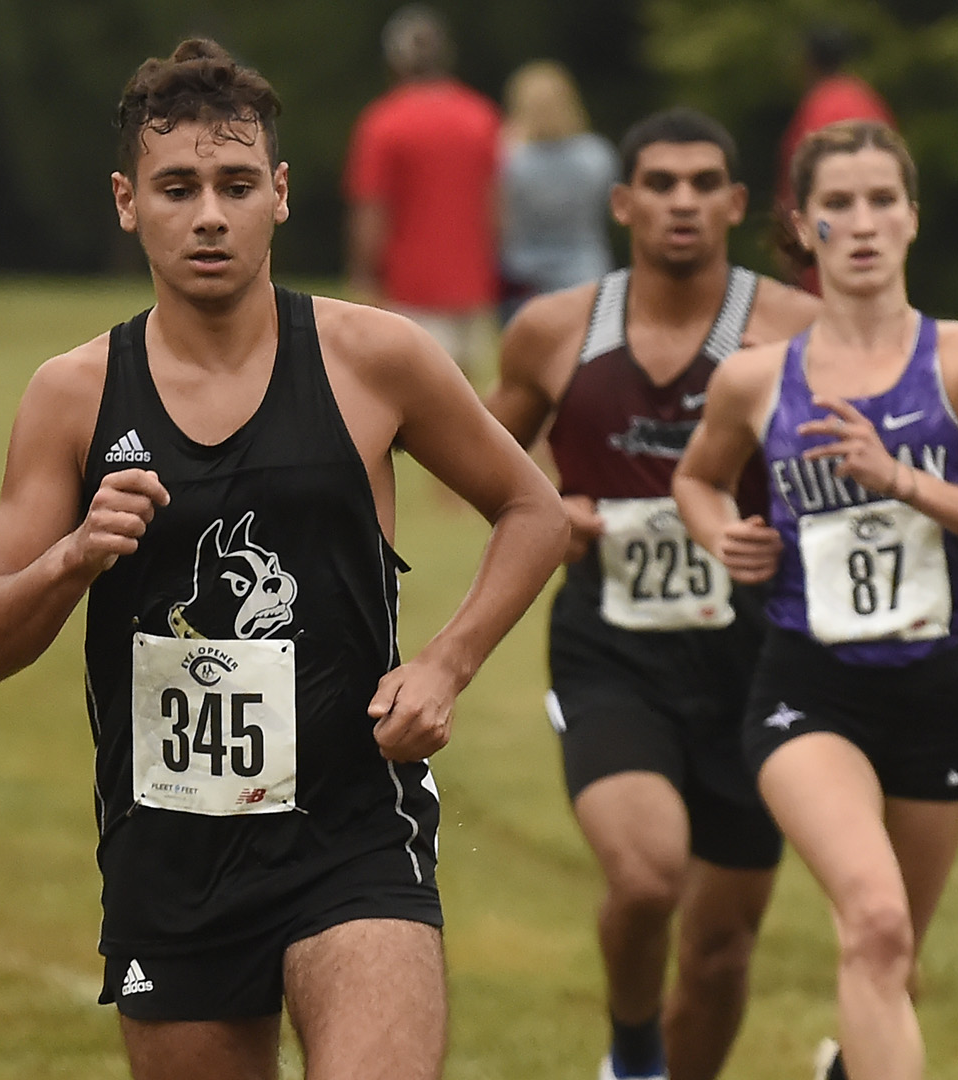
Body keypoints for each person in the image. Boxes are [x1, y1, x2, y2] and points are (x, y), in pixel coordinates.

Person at [0, 39, 566, 1080]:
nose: (208, 215)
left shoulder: (375, 357)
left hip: (352, 827)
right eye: (177, 187)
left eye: (237, 186)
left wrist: (446, 664)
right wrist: (73, 557)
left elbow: (532, 509)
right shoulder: (73, 395)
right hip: (173, 850)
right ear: (125, 201)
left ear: (279, 195)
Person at [674, 119, 958, 1080]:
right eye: (839, 204)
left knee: (895, 961)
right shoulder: (760, 379)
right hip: (809, 692)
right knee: (874, 924)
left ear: (913, 219)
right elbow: (698, 479)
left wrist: (903, 479)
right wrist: (723, 532)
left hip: (937, 696)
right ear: (805, 228)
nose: (865, 221)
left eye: (884, 199)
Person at [488, 108, 821, 1080]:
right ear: (624, 201)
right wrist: (557, 510)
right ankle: (634, 1052)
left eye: (704, 182)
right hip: (612, 649)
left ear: (735, 203)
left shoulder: (796, 330)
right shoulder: (555, 329)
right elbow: (477, 458)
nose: (683, 201)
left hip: (759, 660)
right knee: (644, 878)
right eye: (662, 183)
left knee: (719, 954)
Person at [344, 4, 500, 378]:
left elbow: (372, 211)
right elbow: (496, 207)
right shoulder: (482, 117)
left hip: (408, 291)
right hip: (472, 289)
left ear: (395, 60)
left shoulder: (383, 123)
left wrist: (364, 278)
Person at [776, 25, 894, 294]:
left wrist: (789, 240)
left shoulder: (820, 106)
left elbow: (799, 180)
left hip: (831, 232)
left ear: (808, 61)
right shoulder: (868, 101)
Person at [497, 60, 616, 322]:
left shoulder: (509, 160)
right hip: (586, 271)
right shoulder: (597, 156)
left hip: (523, 279)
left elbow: (498, 220)